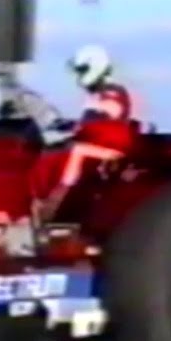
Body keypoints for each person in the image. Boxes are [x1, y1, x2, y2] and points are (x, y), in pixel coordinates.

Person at [30, 44, 139, 223]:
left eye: (83, 70)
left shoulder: (112, 92)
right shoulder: (98, 95)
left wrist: (79, 127)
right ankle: (41, 200)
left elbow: (108, 117)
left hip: (112, 150)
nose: (80, 76)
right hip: (100, 145)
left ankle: (61, 196)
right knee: (52, 152)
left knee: (76, 151)